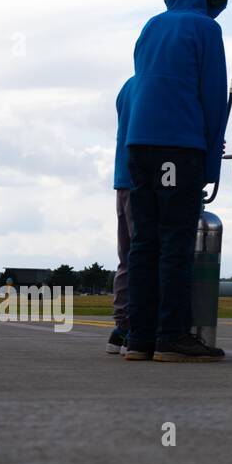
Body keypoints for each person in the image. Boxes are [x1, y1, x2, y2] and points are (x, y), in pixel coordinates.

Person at [124, 0, 229, 362]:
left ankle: (139, 337)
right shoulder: (206, 29)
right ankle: (171, 335)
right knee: (176, 242)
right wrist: (210, 167)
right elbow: (213, 98)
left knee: (144, 242)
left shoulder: (152, 25)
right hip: (178, 145)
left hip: (140, 142)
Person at [108, 76, 136, 355]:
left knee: (127, 257)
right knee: (149, 253)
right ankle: (137, 328)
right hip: (146, 180)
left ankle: (122, 326)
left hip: (124, 178)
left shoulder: (128, 86)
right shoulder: (159, 84)